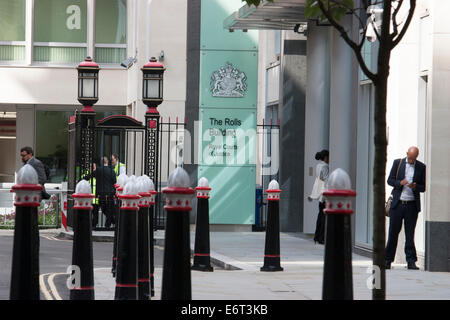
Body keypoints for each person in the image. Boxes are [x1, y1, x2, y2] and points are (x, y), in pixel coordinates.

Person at [385, 146, 426, 270]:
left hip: (412, 205)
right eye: (410, 157)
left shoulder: (421, 167)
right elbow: (389, 180)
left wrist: (415, 186)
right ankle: (387, 260)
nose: (412, 160)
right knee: (393, 233)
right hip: (397, 204)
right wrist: (399, 183)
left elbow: (423, 187)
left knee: (410, 234)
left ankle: (411, 261)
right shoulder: (398, 163)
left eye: (414, 158)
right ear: (407, 153)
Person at [85, 157, 117, 228]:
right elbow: (114, 181)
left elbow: (89, 176)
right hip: (110, 193)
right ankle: (108, 224)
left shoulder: (98, 170)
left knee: (103, 209)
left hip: (100, 193)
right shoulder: (112, 171)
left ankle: (111, 221)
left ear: (101, 163)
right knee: (109, 209)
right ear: (107, 162)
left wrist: (82, 180)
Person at [308, 149, 329, 245]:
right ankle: (321, 237)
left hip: (319, 193)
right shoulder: (325, 166)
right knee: (324, 216)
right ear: (326, 157)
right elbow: (326, 180)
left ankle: (317, 236)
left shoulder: (318, 165)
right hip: (324, 194)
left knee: (320, 215)